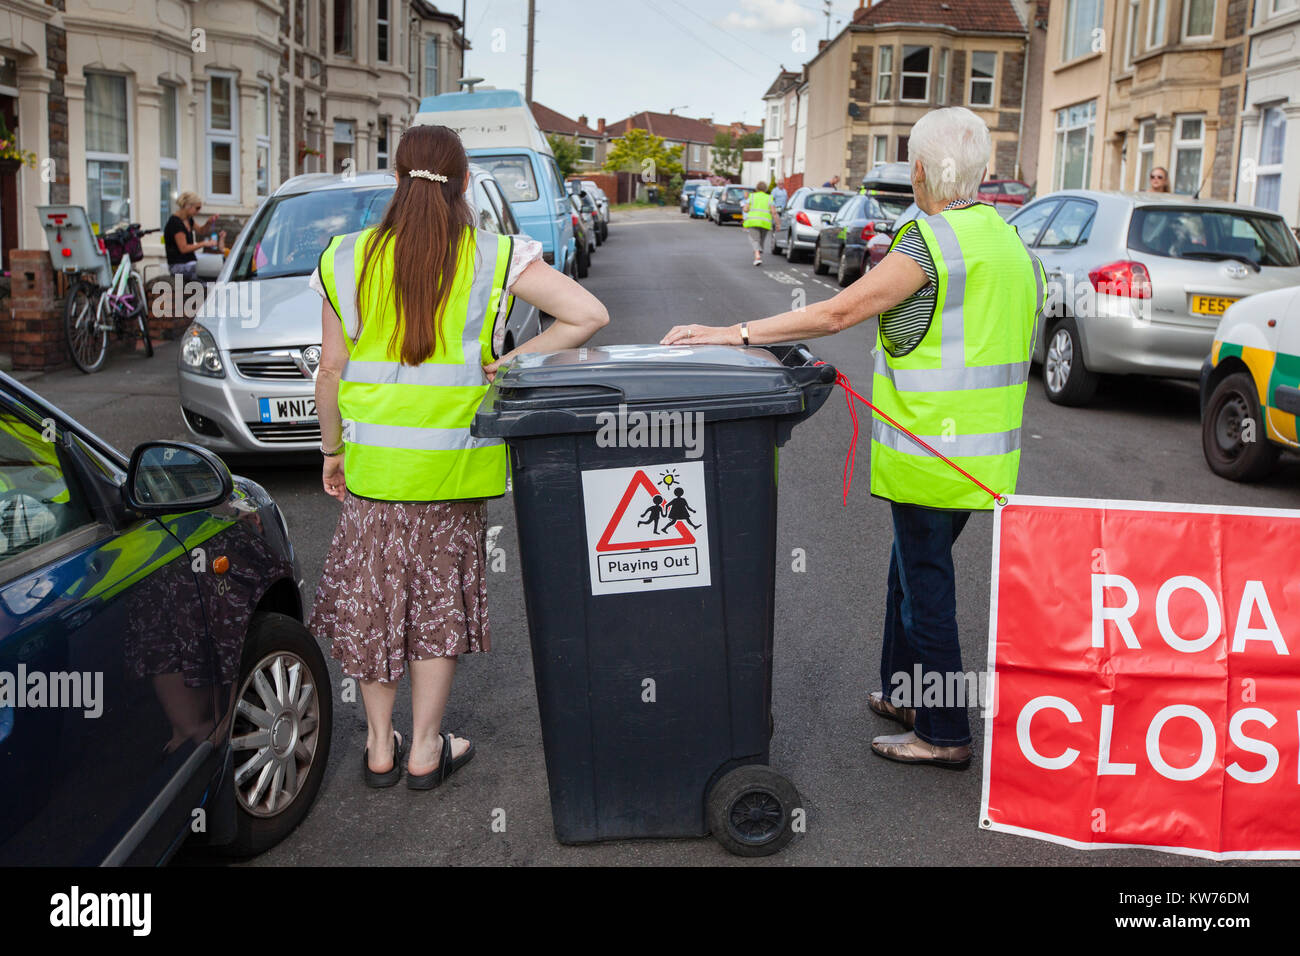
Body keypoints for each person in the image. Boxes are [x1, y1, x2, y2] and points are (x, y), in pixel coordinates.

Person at [661, 107, 1044, 770]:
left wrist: (729, 333)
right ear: (979, 171)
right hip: (985, 457)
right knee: (910, 567)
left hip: (930, 453)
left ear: (921, 171)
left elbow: (839, 311)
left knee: (926, 583)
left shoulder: (929, 241)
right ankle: (905, 694)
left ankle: (945, 730)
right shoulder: (1009, 242)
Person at [310, 124, 609, 790]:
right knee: (437, 606)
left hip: (372, 474)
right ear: (465, 183)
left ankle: (379, 748)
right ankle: (424, 750)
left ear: (395, 179)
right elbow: (587, 314)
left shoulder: (344, 257)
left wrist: (331, 451)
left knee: (375, 603)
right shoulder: (494, 255)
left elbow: (330, 370)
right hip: (451, 471)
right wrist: (508, 363)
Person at [164, 192, 224, 280]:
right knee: (210, 276)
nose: (198, 211)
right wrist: (203, 244)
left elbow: (201, 231)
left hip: (190, 263)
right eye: (197, 208)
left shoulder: (188, 220)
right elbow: (183, 248)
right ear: (188, 206)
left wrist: (209, 222)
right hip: (178, 266)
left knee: (215, 270)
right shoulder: (175, 223)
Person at [741, 182, 775, 267]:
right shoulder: (769, 198)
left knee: (754, 239)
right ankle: (758, 252)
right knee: (761, 240)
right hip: (765, 223)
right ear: (766, 189)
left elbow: (745, 209)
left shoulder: (752, 196)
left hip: (753, 221)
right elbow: (773, 211)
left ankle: (757, 256)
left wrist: (748, 210)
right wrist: (777, 224)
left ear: (756, 188)